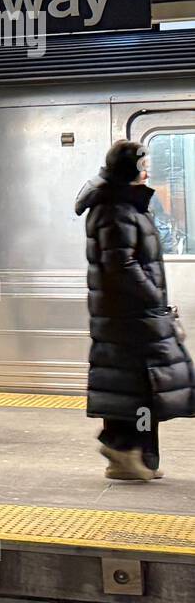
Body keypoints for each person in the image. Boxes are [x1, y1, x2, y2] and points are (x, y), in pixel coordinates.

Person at [75, 141, 195, 480]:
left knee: (136, 384)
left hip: (130, 314)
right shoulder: (115, 208)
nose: (148, 170)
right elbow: (121, 264)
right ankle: (123, 448)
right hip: (129, 316)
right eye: (143, 164)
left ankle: (132, 454)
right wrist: (154, 299)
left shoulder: (125, 205)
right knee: (137, 385)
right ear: (127, 168)